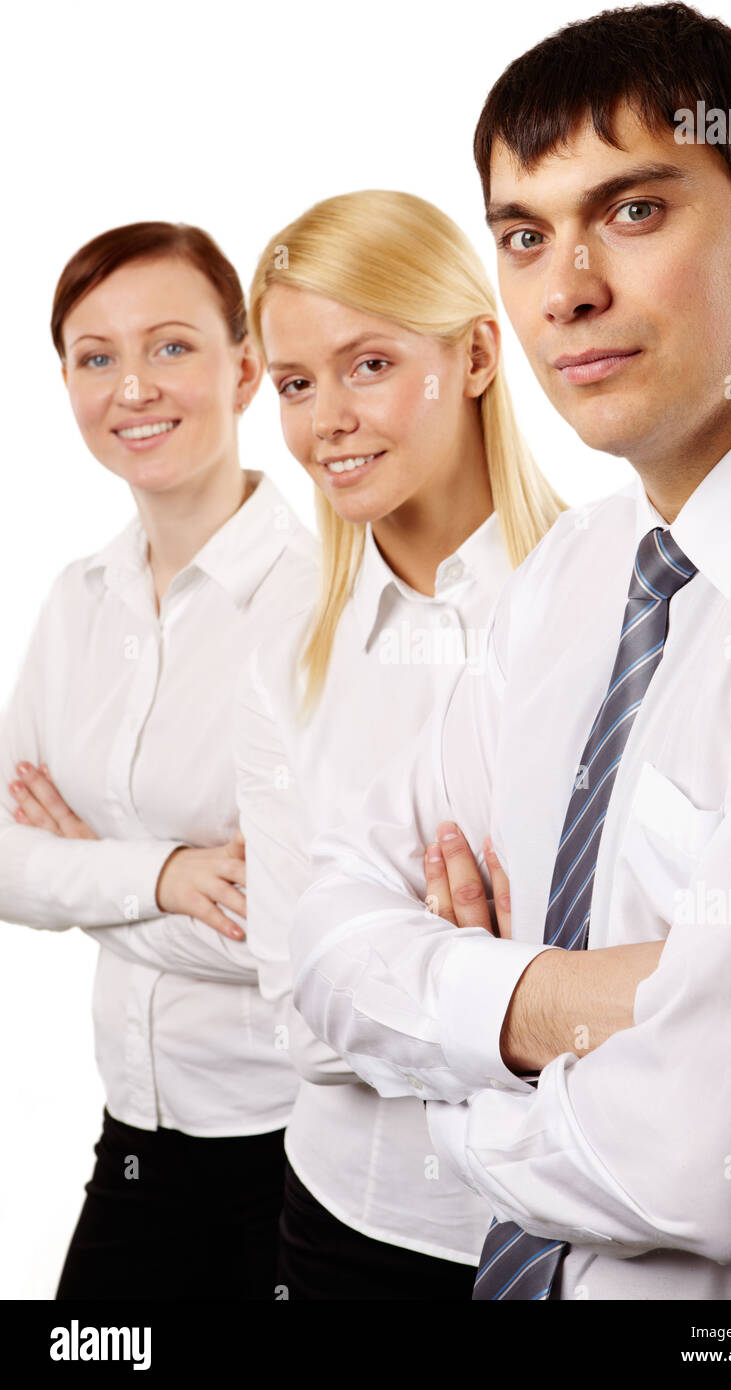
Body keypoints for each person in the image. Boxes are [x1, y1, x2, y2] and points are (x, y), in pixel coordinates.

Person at [286, 4, 731, 1300]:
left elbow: (710, 1147)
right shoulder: (573, 569)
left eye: (634, 211)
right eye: (524, 234)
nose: (568, 288)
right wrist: (557, 1002)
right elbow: (326, 923)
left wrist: (448, 1073)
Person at [234, 189, 664, 1299]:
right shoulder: (285, 643)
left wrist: (408, 961)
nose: (324, 417)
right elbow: (301, 1009)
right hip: (343, 1224)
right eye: (292, 383)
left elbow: (674, 1000)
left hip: (577, 1241)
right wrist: (522, 987)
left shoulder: (621, 592)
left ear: (476, 355)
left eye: (367, 364)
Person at [0, 221, 319, 1299]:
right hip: (133, 1136)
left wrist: (86, 869)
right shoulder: (75, 600)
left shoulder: (317, 596)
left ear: (242, 372)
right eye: (96, 357)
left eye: (170, 347)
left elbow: (304, 938)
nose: (131, 386)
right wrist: (166, 872)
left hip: (295, 1153)